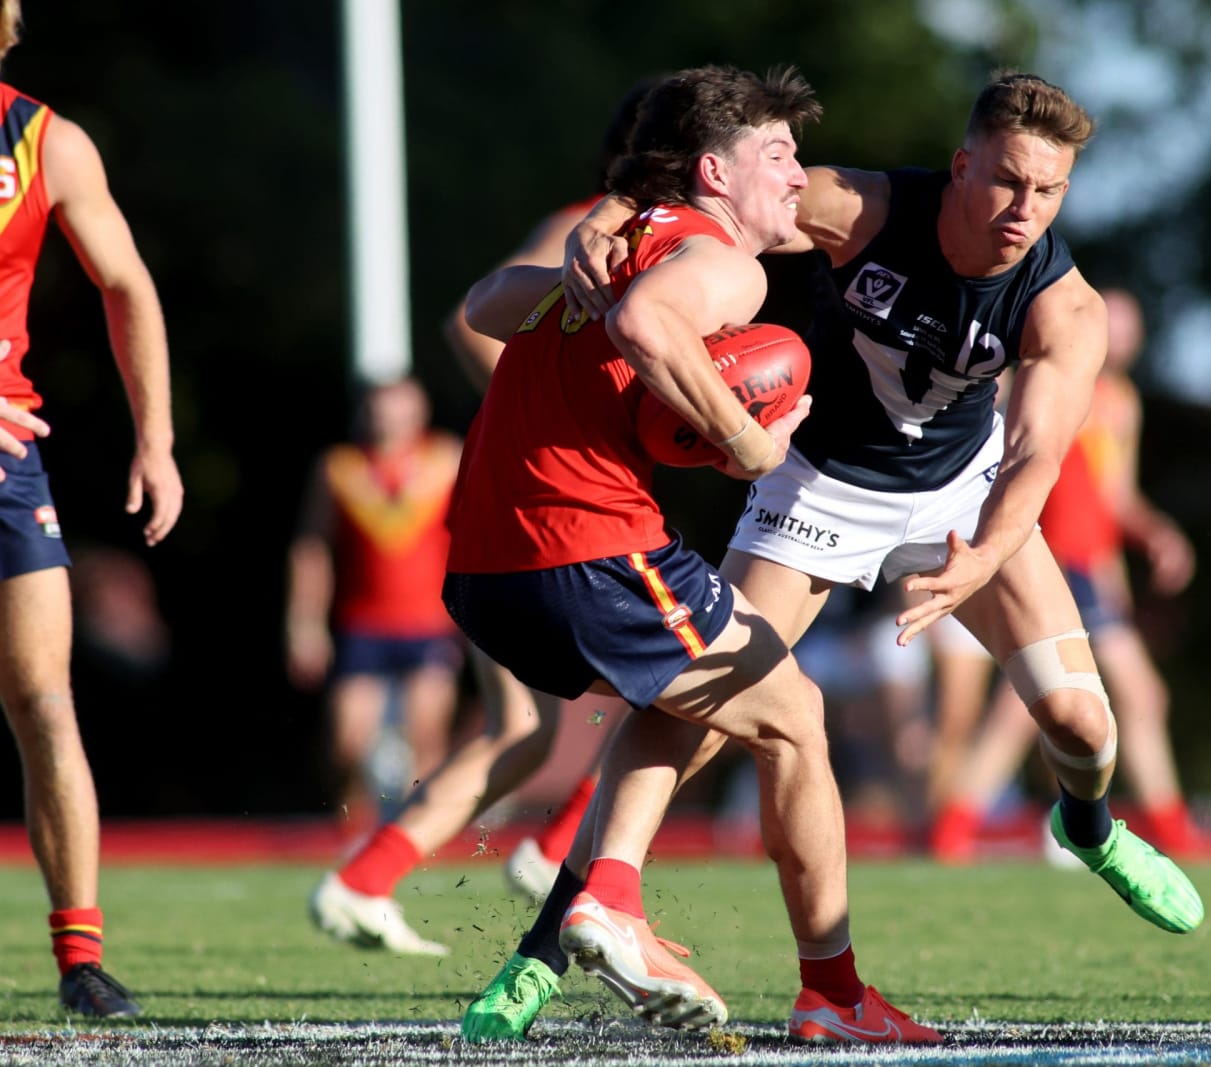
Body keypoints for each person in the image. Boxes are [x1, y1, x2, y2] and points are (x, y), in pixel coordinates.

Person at [531, 67, 1203, 1024]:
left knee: (1088, 730)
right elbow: (721, 186)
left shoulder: (1067, 306)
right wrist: (614, 210)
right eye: (1008, 180)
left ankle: (1090, 826)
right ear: (962, 164)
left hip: (963, 501)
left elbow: (1035, 460)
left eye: (1049, 190)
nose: (1026, 208)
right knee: (704, 697)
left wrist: (980, 556)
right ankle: (572, 919)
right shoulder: (860, 208)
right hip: (816, 485)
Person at [449, 65, 939, 1044]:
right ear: (713, 171)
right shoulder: (723, 263)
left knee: (695, 699)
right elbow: (646, 323)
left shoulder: (622, 244)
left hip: (487, 570)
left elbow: (484, 305)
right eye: (777, 153)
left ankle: (584, 920)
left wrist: (595, 256)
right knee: (794, 717)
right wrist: (751, 442)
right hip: (584, 547)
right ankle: (824, 991)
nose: (798, 174)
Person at [306, 82, 659, 958]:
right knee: (685, 677)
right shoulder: (594, 224)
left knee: (547, 720)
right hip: (538, 517)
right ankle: (541, 852)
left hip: (539, 517)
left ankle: (374, 875)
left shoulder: (652, 239)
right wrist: (550, 416)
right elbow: (474, 322)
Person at [0, 0, 182, 1018]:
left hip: (8, 461)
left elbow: (127, 284)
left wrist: (154, 439)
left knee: (43, 696)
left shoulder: (47, 141)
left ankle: (81, 957)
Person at [929, 289, 1211, 861]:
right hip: (1045, 556)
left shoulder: (1121, 404)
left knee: (1139, 696)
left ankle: (1172, 826)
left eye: (1130, 329)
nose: (1121, 339)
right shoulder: (1038, 383)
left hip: (1091, 567)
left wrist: (1154, 534)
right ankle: (953, 828)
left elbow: (1116, 498)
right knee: (1025, 711)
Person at [287, 378, 463, 826]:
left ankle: (413, 838)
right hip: (362, 623)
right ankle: (351, 828)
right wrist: (303, 623)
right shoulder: (339, 468)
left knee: (427, 738)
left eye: (400, 409)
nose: (389, 419)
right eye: (380, 409)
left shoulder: (446, 460)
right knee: (347, 742)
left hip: (431, 622)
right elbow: (312, 547)